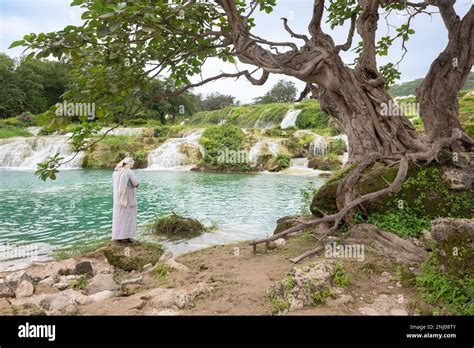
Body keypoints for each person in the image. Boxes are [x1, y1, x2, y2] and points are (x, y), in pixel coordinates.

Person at [112, 154, 139, 244]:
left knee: (118, 217)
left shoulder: (115, 173)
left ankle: (118, 237)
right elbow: (136, 184)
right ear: (127, 164)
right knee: (128, 218)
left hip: (117, 199)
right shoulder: (128, 172)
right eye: (131, 165)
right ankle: (126, 237)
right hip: (128, 199)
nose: (132, 166)